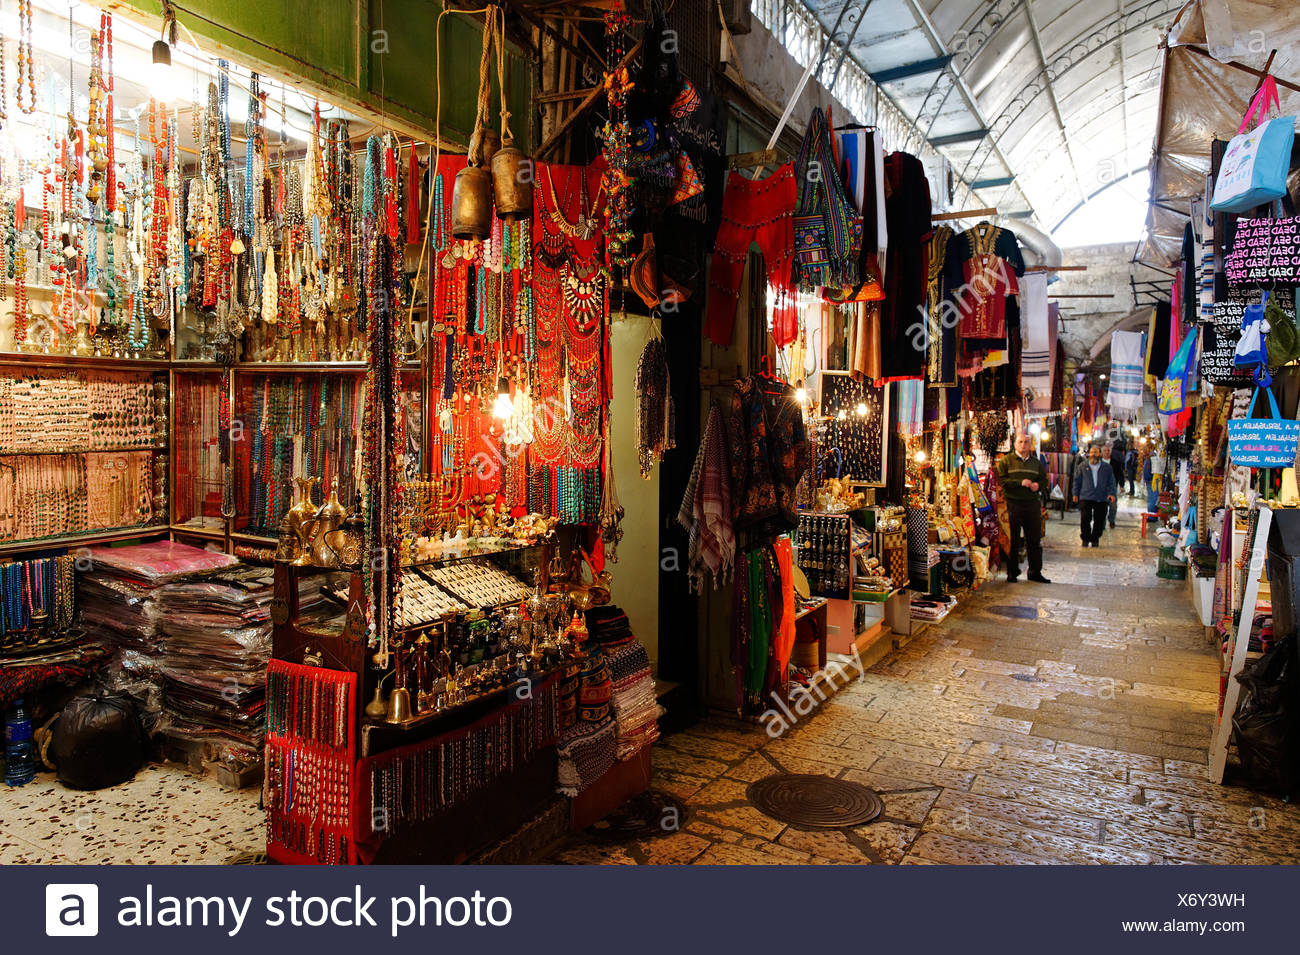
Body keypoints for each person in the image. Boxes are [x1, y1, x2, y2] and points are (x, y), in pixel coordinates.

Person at [995, 430, 1051, 583]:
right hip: (1013, 504)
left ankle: (1035, 572)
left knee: (1034, 539)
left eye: (1026, 442)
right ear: (1014, 444)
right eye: (1020, 442)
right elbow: (1002, 482)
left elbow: (1044, 481)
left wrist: (1037, 485)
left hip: (1032, 504)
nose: (1023, 445)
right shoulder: (1006, 461)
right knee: (1013, 540)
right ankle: (1012, 572)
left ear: (1030, 445)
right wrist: (1020, 483)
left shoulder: (1036, 463)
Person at [1074, 444, 1117, 547]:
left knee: (1100, 519)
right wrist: (1075, 494)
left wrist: (1111, 493)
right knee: (1085, 519)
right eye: (1092, 452)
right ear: (1089, 453)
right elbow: (1077, 481)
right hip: (1086, 496)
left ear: (1100, 454)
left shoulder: (1107, 468)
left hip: (1101, 497)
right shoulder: (1082, 466)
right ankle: (1085, 538)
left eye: (1096, 452)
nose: (1093, 454)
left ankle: (1095, 538)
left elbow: (1111, 482)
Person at [1108, 440, 1127, 528]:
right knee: (1107, 505)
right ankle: (1106, 522)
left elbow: (1120, 472)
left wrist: (1122, 485)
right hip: (1104, 487)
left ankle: (1110, 520)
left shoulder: (1115, 461)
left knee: (1112, 505)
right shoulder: (1100, 462)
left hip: (1112, 485)